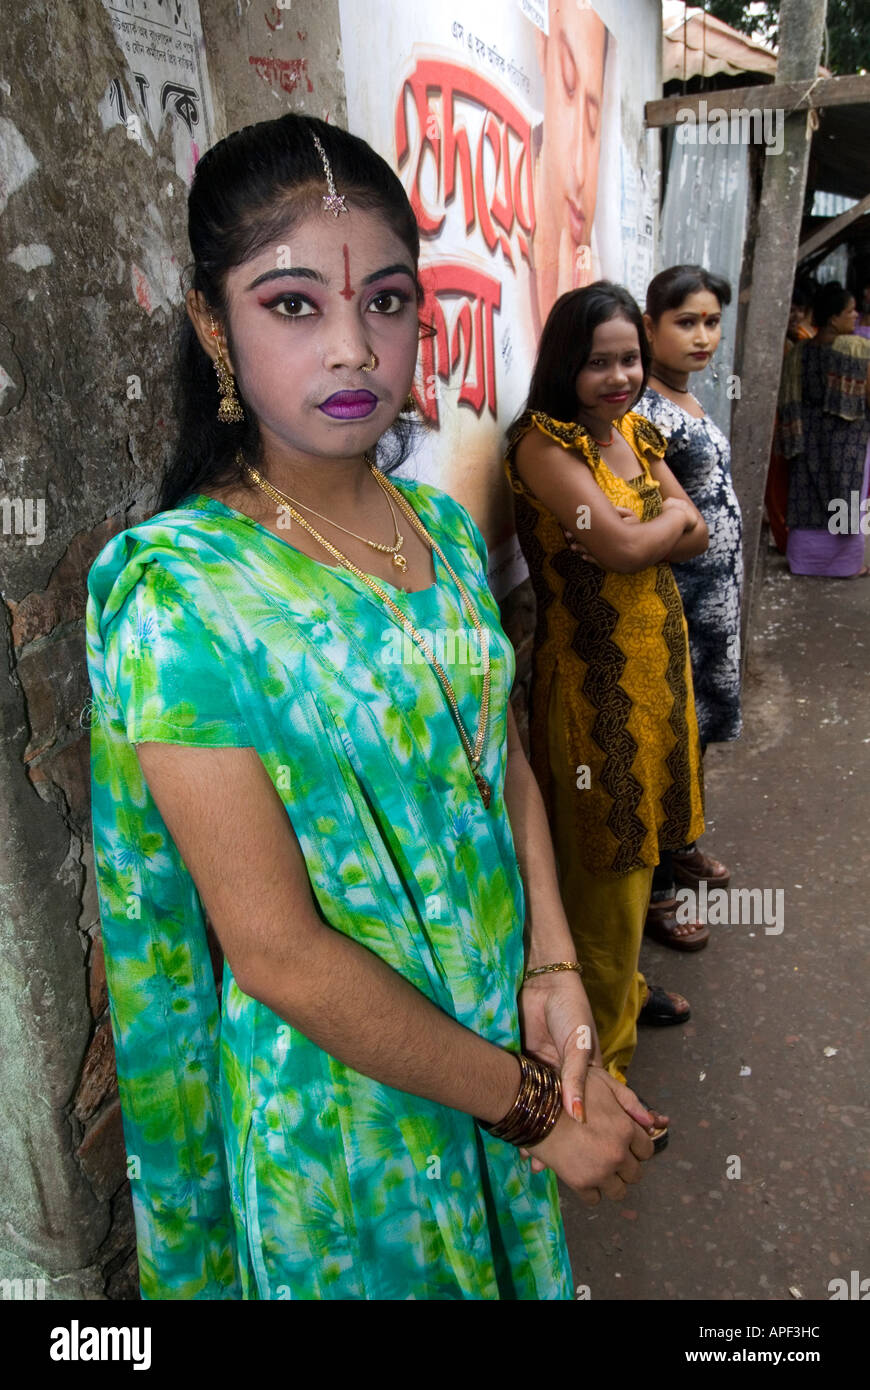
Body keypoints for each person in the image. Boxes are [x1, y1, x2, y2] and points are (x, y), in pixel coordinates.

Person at [85, 114, 657, 1302]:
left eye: (387, 302)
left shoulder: (440, 530)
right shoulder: (181, 592)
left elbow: (498, 760)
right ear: (211, 325)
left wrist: (552, 969)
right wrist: (538, 1110)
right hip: (349, 1135)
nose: (353, 348)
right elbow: (278, 952)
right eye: (293, 305)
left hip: (496, 1051)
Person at [504, 280, 708, 1124]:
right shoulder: (542, 446)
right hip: (594, 694)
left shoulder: (632, 427)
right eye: (599, 363)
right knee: (603, 874)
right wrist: (650, 536)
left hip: (657, 677)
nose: (621, 376)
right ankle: (602, 1085)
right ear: (564, 365)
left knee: (644, 856)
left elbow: (687, 527)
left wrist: (643, 538)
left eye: (629, 358)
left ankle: (622, 989)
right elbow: (634, 542)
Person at [635, 265, 742, 952]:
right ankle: (657, 893)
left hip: (716, 605)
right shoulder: (642, 410)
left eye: (710, 321)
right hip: (677, 604)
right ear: (651, 327)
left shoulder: (690, 399)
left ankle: (684, 844)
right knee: (666, 746)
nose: (703, 335)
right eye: (686, 322)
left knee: (695, 737)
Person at [778, 281, 870, 579]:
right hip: (847, 436)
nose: (855, 316)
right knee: (844, 497)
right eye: (850, 311)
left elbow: (790, 395)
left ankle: (806, 562)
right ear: (833, 318)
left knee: (807, 494)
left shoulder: (799, 352)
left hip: (806, 433)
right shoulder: (858, 349)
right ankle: (846, 565)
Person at [531, 1, 609, 333]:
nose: (579, 167)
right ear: (542, 47)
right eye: (568, 84)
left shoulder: (597, 273)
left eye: (593, 121)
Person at [767, 278, 818, 554]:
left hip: (791, 420)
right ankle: (785, 536)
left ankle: (789, 537)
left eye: (798, 309)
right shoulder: (781, 344)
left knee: (784, 482)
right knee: (776, 483)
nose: (794, 315)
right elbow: (737, 381)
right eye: (789, 309)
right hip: (775, 419)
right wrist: (735, 396)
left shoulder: (801, 339)